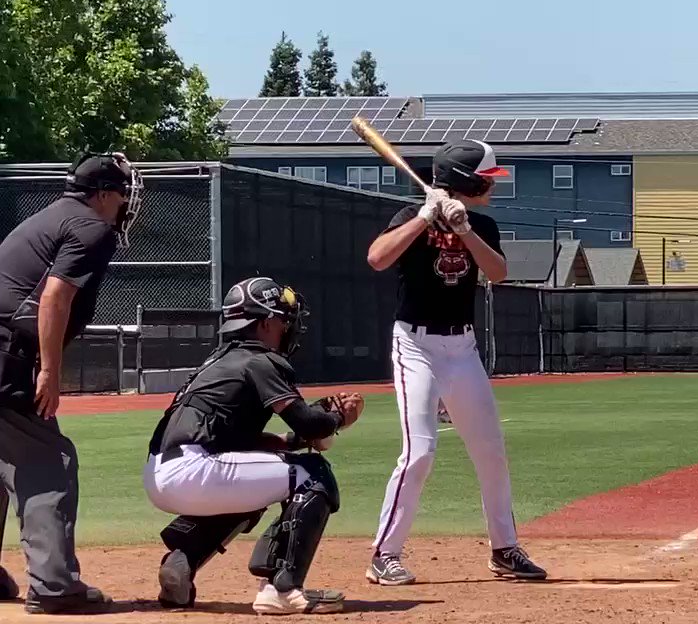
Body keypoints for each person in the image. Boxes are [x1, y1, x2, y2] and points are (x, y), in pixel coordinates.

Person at [365, 138, 546, 586]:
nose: (492, 186)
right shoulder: (410, 217)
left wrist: (465, 230)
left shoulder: (480, 223)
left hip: (462, 348)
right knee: (420, 451)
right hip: (416, 345)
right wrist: (426, 217)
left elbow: (499, 273)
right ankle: (383, 554)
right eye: (486, 180)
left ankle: (504, 549)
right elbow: (377, 258)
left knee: (491, 451)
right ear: (467, 180)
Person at [142, 277, 364, 615]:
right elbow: (308, 424)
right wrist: (336, 418)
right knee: (314, 474)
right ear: (265, 322)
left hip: (163, 474)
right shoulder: (260, 359)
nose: (288, 327)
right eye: (284, 319)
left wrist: (308, 433)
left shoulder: (217, 362)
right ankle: (282, 589)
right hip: (195, 470)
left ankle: (182, 561)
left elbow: (249, 442)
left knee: (257, 485)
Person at [0, 151, 142, 614]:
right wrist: (50, 370)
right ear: (101, 195)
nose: (124, 204)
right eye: (121, 194)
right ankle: (54, 587)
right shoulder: (91, 227)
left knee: (3, 463)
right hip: (7, 356)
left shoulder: (48, 218)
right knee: (47, 461)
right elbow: (54, 299)